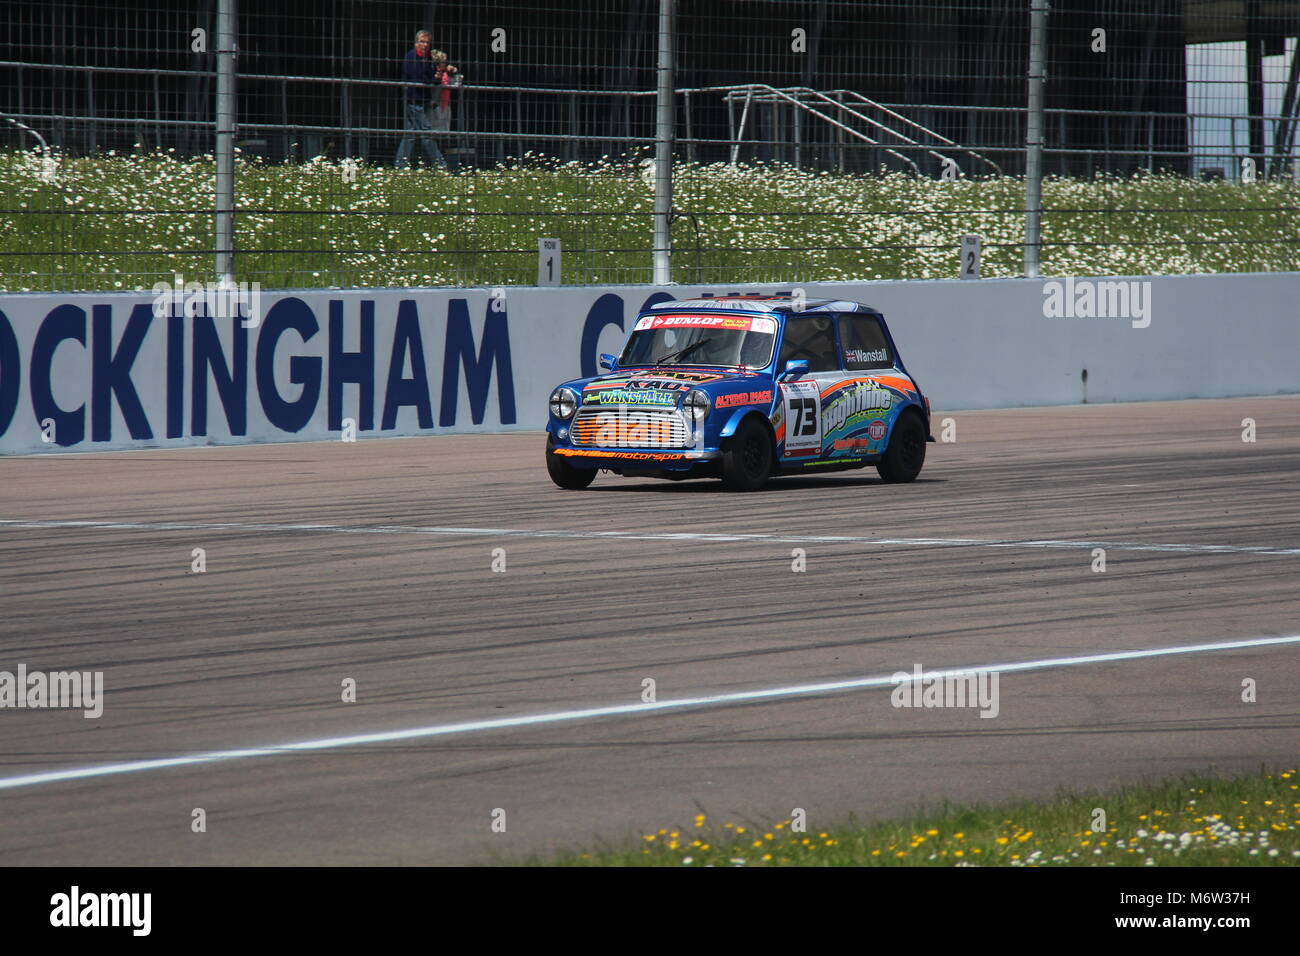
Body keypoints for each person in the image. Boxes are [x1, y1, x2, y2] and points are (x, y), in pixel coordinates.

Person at [394, 30, 447, 169]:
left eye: (427, 43)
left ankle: (400, 163)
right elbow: (418, 78)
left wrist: (437, 76)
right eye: (422, 42)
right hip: (413, 98)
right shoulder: (411, 57)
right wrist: (432, 79)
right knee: (426, 131)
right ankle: (440, 163)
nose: (425, 45)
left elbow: (430, 77)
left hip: (423, 98)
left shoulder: (428, 57)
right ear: (416, 42)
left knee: (410, 133)